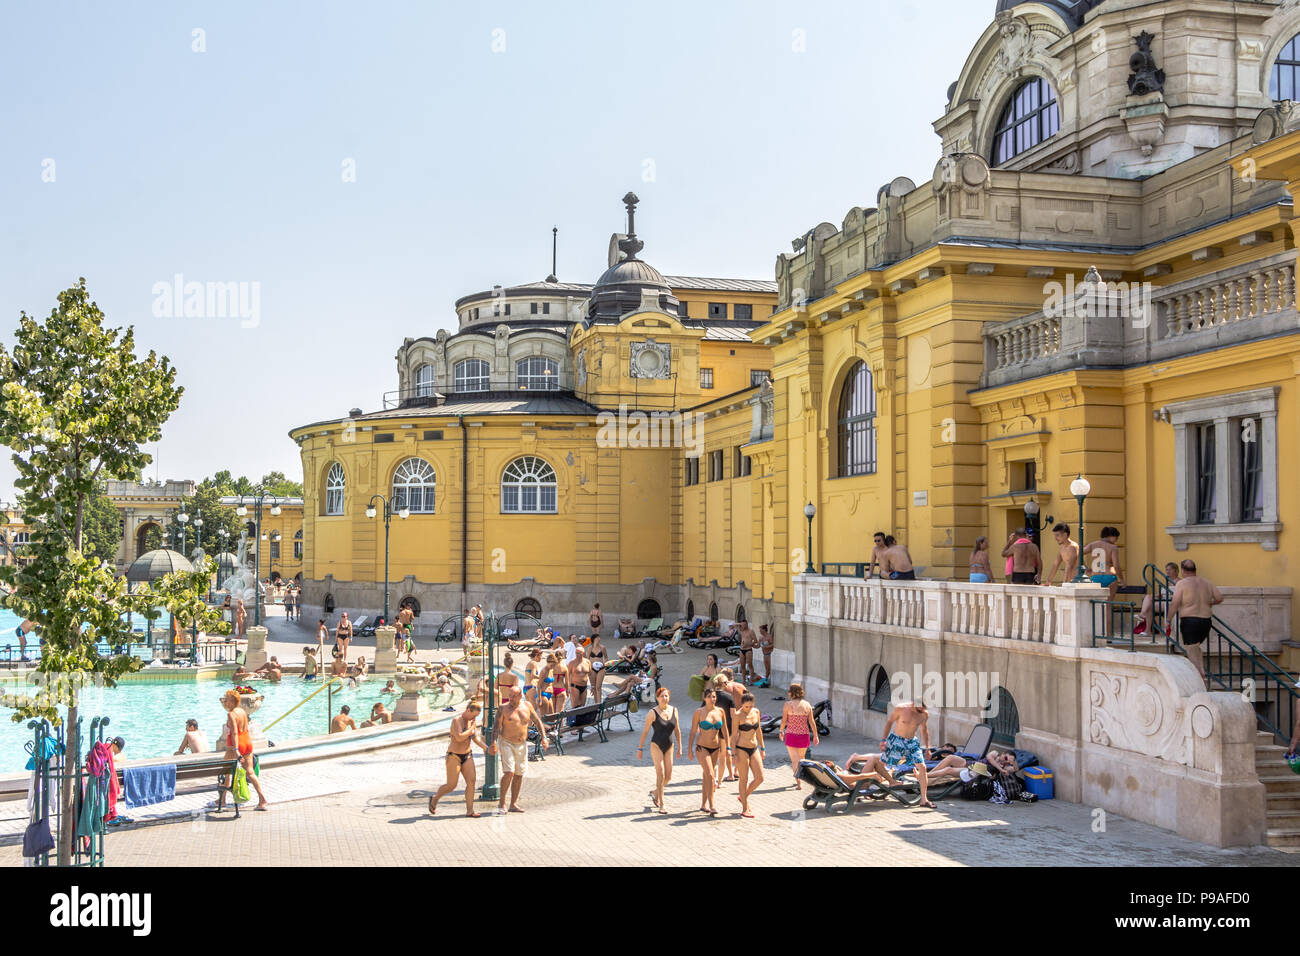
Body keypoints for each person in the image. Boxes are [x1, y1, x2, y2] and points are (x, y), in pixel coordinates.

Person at [488, 686, 548, 813]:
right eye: (509, 695)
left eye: (513, 696)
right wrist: (493, 742)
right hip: (506, 743)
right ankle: (501, 803)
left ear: (520, 696)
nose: (510, 698)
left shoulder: (527, 706)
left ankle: (513, 804)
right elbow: (495, 727)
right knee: (509, 772)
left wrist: (544, 737)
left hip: (522, 745)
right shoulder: (503, 708)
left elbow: (537, 721)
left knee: (519, 774)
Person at [1167, 558, 1223, 683]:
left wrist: (1168, 620)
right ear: (1195, 569)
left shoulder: (1181, 583)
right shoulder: (1207, 582)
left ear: (1182, 570)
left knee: (1191, 649)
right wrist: (1209, 603)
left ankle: (1199, 678)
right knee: (1196, 647)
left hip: (1190, 620)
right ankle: (1201, 671)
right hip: (1206, 621)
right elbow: (1219, 598)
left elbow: (1175, 604)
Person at [428, 700, 487, 817]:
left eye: (476, 716)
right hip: (454, 755)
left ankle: (470, 811)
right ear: (468, 710)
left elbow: (475, 738)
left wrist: (487, 748)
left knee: (471, 782)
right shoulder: (457, 720)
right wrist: (471, 729)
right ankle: (435, 798)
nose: (474, 718)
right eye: (473, 715)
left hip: (467, 755)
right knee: (451, 785)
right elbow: (459, 737)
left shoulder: (472, 722)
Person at [220, 689, 268, 810]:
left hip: (235, 745)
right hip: (247, 742)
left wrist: (236, 749)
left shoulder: (231, 714)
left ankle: (223, 800)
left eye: (226, 699)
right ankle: (262, 799)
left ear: (232, 702)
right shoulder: (242, 711)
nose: (224, 701)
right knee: (250, 772)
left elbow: (235, 733)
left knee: (225, 771)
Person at [636, 686, 682, 813]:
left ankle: (655, 792)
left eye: (666, 696)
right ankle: (662, 803)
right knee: (660, 774)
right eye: (662, 696)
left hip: (670, 746)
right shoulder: (652, 712)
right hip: (656, 745)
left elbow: (677, 730)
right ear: (657, 698)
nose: (664, 698)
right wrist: (640, 748)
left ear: (669, 697)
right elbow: (645, 731)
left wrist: (680, 747)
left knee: (668, 777)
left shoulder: (674, 710)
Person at [881, 701, 934, 809]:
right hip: (896, 739)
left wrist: (928, 748)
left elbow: (924, 730)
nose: (919, 711)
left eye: (922, 709)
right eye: (917, 709)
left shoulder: (924, 714)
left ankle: (924, 799)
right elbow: (890, 722)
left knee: (922, 767)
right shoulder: (900, 708)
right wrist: (884, 739)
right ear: (913, 704)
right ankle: (865, 786)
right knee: (883, 763)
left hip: (912, 742)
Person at [689, 686, 728, 815]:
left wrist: (727, 747)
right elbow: (693, 731)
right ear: (704, 698)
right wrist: (689, 749)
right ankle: (712, 805)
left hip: (716, 747)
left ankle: (703, 804)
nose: (712, 699)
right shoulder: (699, 712)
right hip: (702, 747)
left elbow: (725, 731)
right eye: (709, 697)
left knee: (707, 775)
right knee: (711, 775)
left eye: (714, 697)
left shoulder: (720, 711)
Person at [730, 692, 765, 818]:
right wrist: (733, 754)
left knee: (760, 777)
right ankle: (745, 808)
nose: (748, 709)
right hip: (741, 749)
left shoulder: (756, 712)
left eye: (750, 706)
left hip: (754, 747)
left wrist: (763, 748)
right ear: (742, 705)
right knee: (743, 779)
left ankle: (743, 796)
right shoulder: (737, 715)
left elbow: (759, 730)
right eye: (746, 707)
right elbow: (733, 736)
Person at [779, 683, 819, 788]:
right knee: (802, 759)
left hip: (791, 734)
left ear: (791, 693)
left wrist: (781, 731)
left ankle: (798, 782)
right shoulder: (807, 705)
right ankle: (801, 778)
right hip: (804, 735)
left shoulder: (788, 705)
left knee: (794, 760)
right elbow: (812, 722)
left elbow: (783, 721)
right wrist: (815, 735)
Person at [1136, 561, 1181, 636]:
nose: (1167, 571)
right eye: (1166, 570)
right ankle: (1147, 630)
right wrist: (1152, 596)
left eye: (1170, 569)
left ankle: (1142, 615)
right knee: (1148, 598)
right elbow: (1161, 595)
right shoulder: (1167, 582)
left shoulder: (1179, 582)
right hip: (1163, 601)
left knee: (1152, 602)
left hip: (1171, 602)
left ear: (1175, 570)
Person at [1082, 527, 1124, 601]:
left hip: (1095, 578)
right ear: (1111, 536)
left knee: (1096, 606)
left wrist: (1085, 567)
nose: (1116, 540)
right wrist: (1122, 580)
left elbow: (1078, 554)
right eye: (1116, 537)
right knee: (1108, 606)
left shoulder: (1092, 545)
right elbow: (1116, 566)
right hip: (1109, 578)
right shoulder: (1113, 547)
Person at [587, 633, 608, 702]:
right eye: (597, 638)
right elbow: (587, 659)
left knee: (598, 687)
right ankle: (596, 704)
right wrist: (589, 668)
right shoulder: (590, 648)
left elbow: (606, 657)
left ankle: (599, 703)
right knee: (594, 687)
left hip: (601, 668)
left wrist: (605, 665)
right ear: (594, 639)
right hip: (592, 669)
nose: (599, 639)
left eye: (599, 637)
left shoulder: (602, 647)